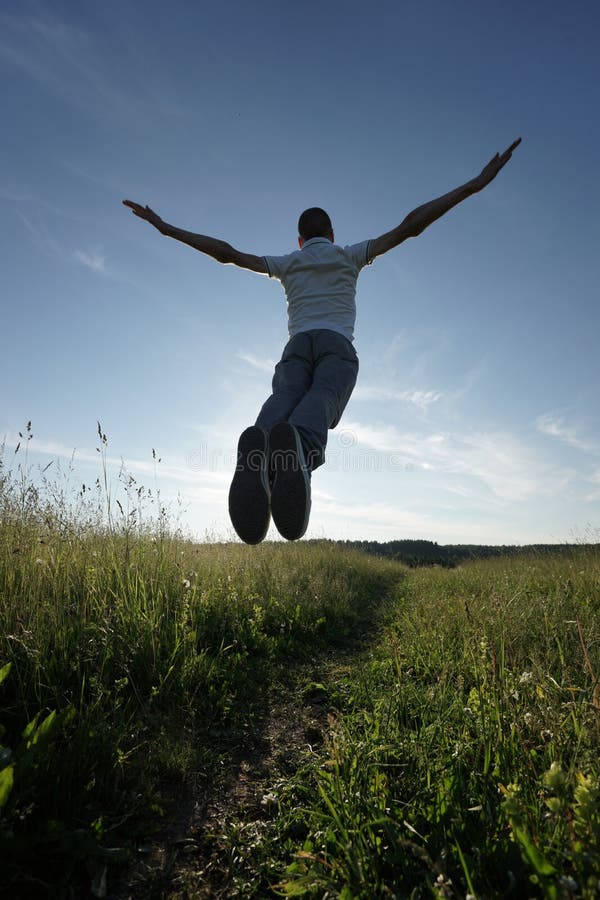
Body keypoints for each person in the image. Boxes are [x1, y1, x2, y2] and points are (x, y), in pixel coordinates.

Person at [123, 137, 521, 544]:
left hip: (296, 348)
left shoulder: (288, 263)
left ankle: (261, 444)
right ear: (331, 235)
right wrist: (473, 185)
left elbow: (228, 253)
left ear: (300, 241)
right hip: (335, 345)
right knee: (322, 398)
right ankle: (299, 444)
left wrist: (167, 229)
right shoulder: (348, 255)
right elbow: (410, 226)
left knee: (284, 397)